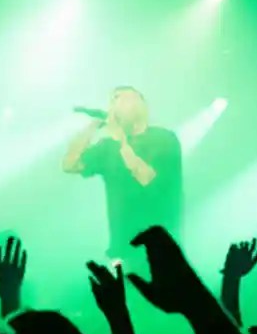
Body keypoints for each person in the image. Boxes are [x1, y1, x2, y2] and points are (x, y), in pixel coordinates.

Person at [61, 87, 183, 261]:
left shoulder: (164, 139)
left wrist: (121, 141)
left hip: (162, 249)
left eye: (122, 98)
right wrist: (92, 127)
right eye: (113, 100)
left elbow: (147, 179)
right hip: (122, 250)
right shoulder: (107, 146)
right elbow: (70, 164)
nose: (115, 105)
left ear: (142, 105)